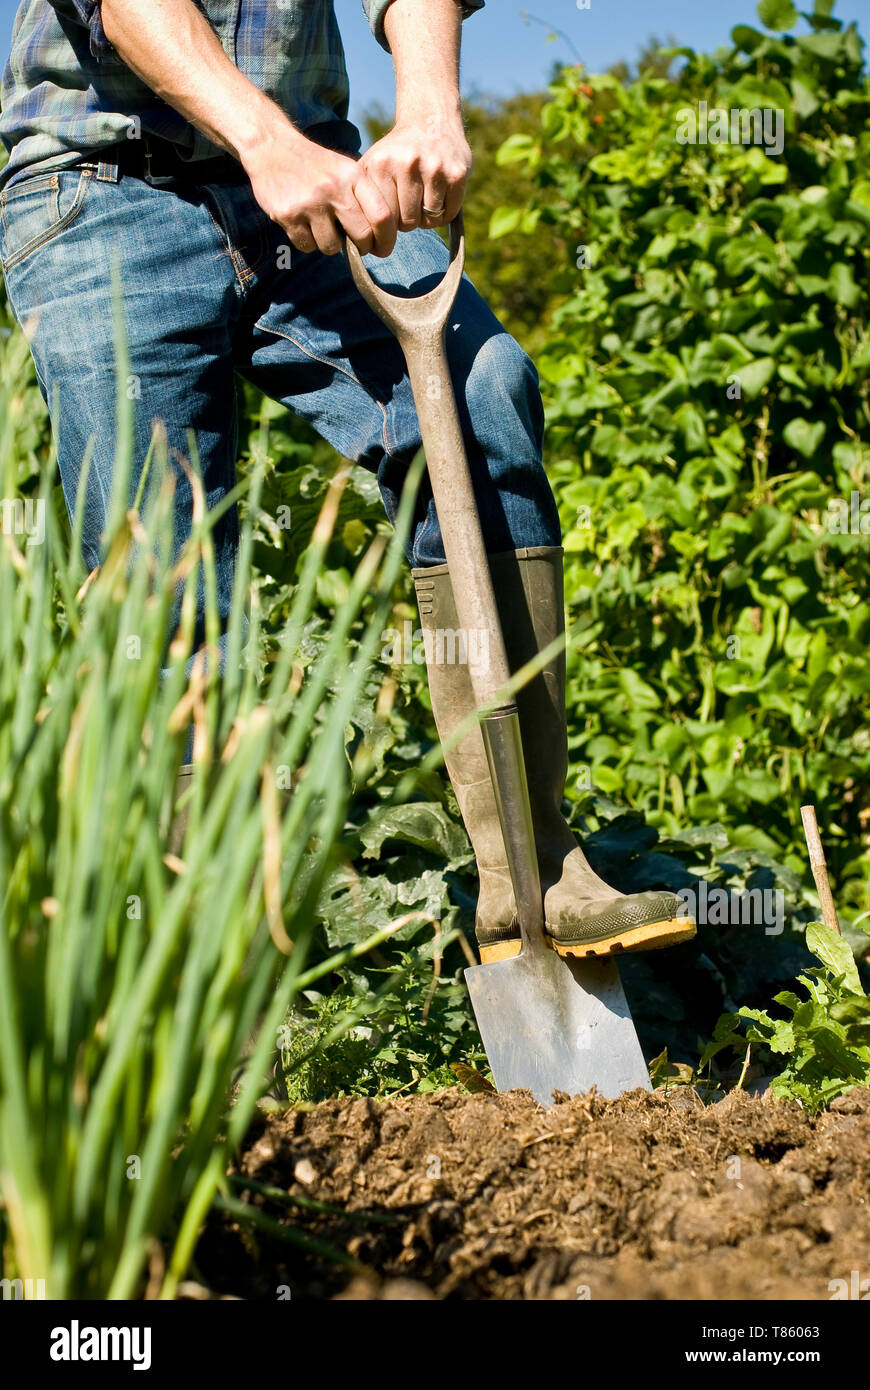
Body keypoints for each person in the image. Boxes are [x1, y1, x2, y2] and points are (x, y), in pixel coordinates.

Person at [0, 0, 695, 961]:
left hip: (325, 177)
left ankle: (528, 875)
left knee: (481, 390)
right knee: (160, 558)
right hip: (101, 189)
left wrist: (430, 109)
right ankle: (203, 957)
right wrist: (261, 140)